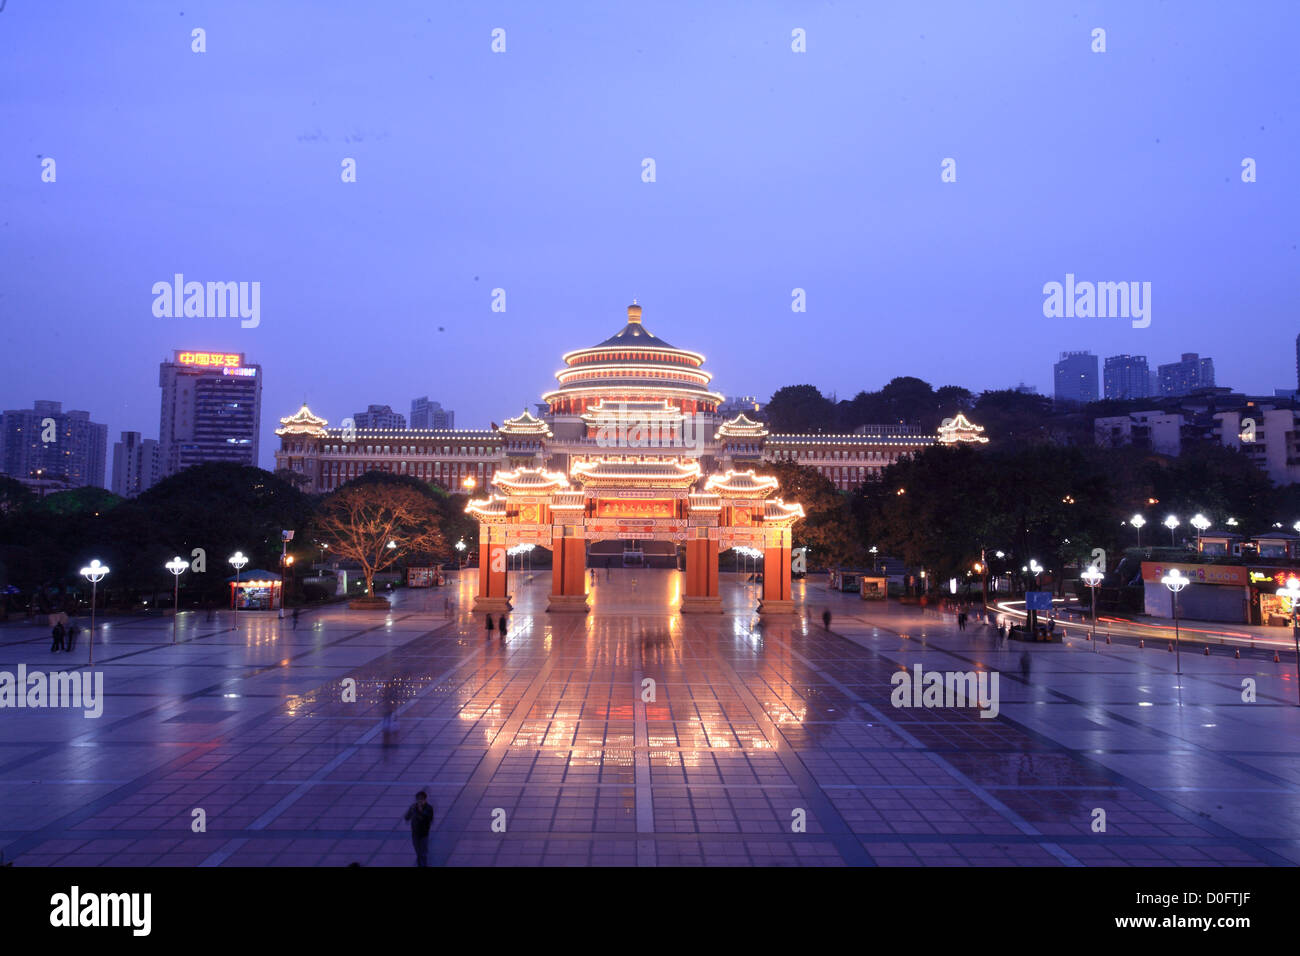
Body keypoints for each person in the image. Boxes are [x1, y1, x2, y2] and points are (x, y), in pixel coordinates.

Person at [403, 791, 434, 867]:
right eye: (418, 799)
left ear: (425, 799)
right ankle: (420, 864)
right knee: (418, 853)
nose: (419, 801)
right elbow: (407, 817)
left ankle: (423, 865)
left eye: (421, 799)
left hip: (424, 834)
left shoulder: (428, 808)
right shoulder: (413, 807)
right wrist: (411, 811)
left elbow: (427, 818)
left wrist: (419, 811)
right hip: (415, 834)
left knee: (423, 853)